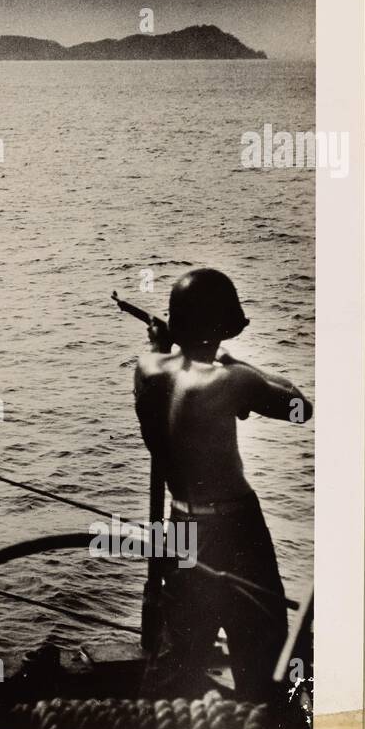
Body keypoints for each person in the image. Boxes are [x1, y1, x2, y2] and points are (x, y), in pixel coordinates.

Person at [134, 268, 312, 702]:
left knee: (179, 658)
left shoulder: (147, 368)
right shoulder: (231, 380)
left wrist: (165, 342)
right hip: (235, 528)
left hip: (181, 523)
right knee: (264, 651)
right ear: (221, 326)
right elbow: (300, 408)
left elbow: (165, 362)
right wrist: (232, 360)